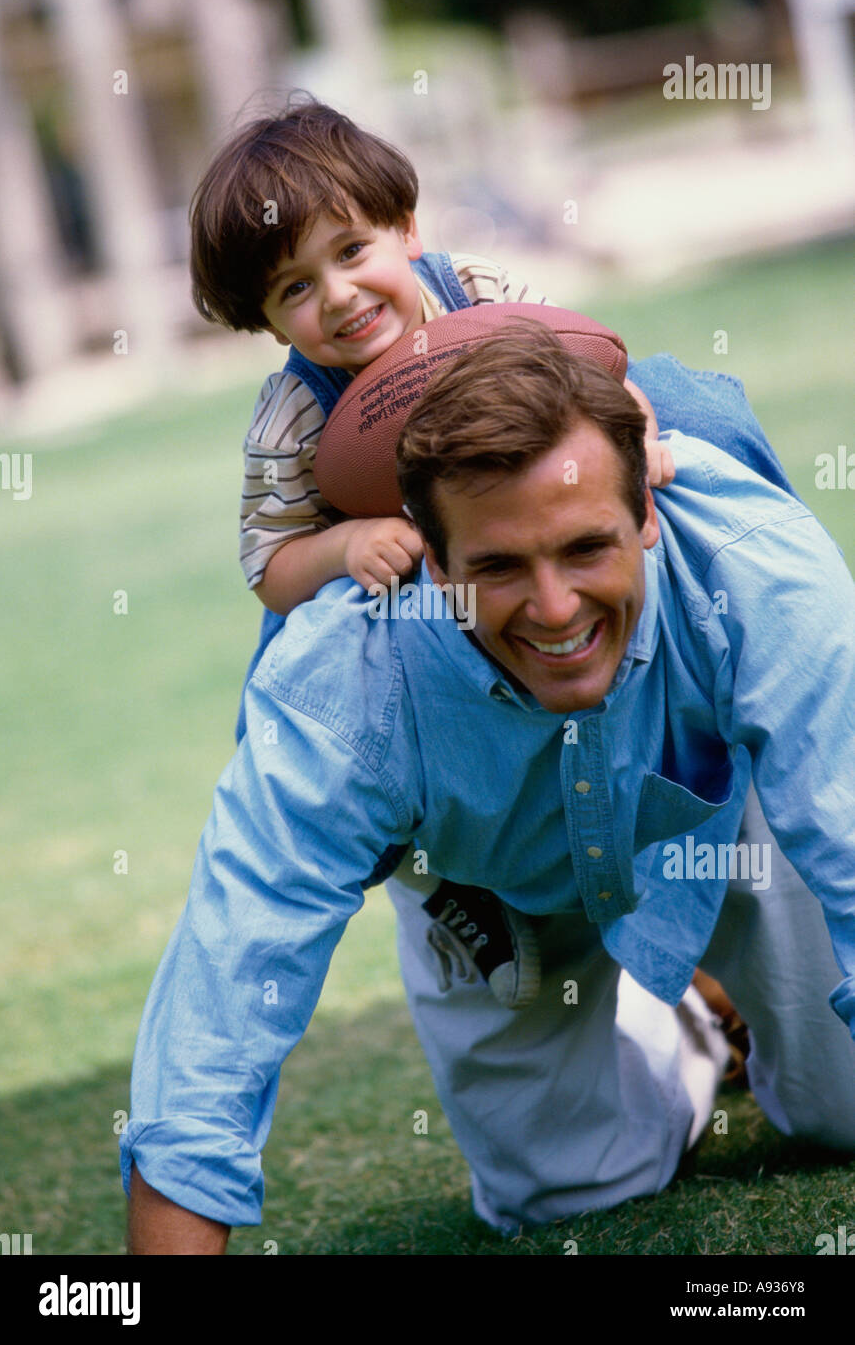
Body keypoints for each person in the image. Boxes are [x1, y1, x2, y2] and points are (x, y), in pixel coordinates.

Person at [122, 322, 855, 1252]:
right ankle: (692, 1032)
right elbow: (224, 992)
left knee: (848, 1112)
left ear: (648, 515)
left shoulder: (757, 566)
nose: (554, 609)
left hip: (718, 820)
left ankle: (721, 971)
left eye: (588, 548)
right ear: (433, 562)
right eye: (500, 567)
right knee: (567, 1190)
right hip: (488, 877)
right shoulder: (344, 684)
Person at [188, 95, 671, 1006]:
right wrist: (344, 542)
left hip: (513, 563)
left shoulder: (476, 295)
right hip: (401, 602)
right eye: (294, 288)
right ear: (267, 318)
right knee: (287, 699)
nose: (337, 295)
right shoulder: (293, 412)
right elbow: (270, 572)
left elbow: (601, 373)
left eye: (351, 251)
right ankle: (432, 878)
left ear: (406, 229)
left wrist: (639, 432)